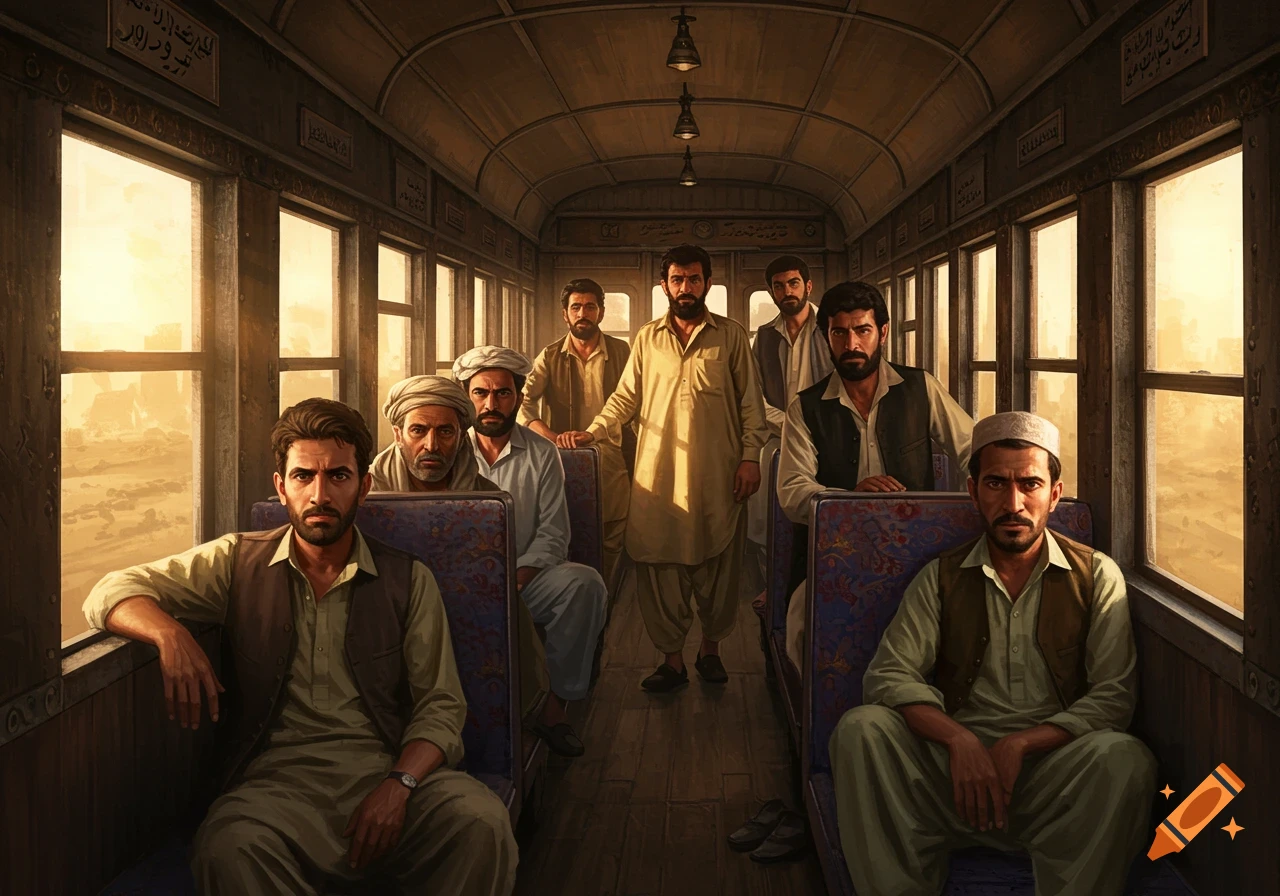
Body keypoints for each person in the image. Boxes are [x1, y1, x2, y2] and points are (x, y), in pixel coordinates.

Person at [81, 398, 516, 896]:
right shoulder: (235, 562)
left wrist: (399, 786)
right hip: (277, 789)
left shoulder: (408, 579)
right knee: (229, 846)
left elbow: (440, 707)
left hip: (388, 767)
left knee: (480, 823)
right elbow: (109, 591)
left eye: (337, 476)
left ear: (364, 485)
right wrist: (169, 633)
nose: (319, 494)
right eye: (304, 476)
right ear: (281, 486)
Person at [829, 411, 1155, 896]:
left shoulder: (1096, 576)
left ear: (1055, 494)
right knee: (860, 730)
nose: (1014, 503)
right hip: (946, 778)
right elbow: (888, 677)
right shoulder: (941, 577)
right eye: (997, 484)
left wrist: (1020, 744)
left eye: (1030, 484)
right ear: (973, 491)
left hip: (1051, 780)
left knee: (1126, 759)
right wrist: (960, 742)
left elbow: (1113, 697)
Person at [559, 244, 769, 692]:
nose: (686, 288)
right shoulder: (647, 338)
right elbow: (624, 398)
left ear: (707, 283)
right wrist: (593, 432)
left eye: (694, 279)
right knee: (660, 569)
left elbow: (753, 406)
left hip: (719, 474)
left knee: (720, 565)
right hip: (657, 475)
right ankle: (672, 662)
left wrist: (751, 457)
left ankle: (710, 652)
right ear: (664, 286)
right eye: (678, 279)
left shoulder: (731, 336)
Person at [777, 280, 972, 672]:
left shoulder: (921, 389)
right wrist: (850, 497)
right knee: (801, 626)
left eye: (862, 330)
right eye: (839, 332)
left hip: (918, 556)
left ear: (882, 332)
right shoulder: (806, 408)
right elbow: (793, 492)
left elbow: (973, 450)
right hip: (832, 557)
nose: (851, 344)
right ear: (826, 337)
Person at [369, 374, 550, 733]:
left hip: (465, 609)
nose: (431, 445)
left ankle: (531, 718)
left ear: (459, 434)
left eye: (445, 433)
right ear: (397, 433)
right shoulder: (369, 492)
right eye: (418, 431)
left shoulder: (487, 499)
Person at [454, 346, 608, 758]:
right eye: (481, 393)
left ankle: (555, 711)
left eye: (503, 393)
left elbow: (554, 535)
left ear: (519, 398)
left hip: (525, 580)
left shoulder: (543, 454)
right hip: (453, 587)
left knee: (584, 584)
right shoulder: (445, 447)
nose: (491, 403)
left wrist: (512, 582)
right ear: (467, 397)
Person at [518, 278, 633, 593]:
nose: (584, 313)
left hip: (610, 451)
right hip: (565, 456)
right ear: (565, 314)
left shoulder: (623, 352)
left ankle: (607, 595)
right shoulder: (551, 355)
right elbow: (523, 401)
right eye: (576, 307)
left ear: (601, 312)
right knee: (570, 526)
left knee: (612, 528)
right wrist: (552, 436)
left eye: (590, 307)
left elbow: (636, 402)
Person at [746, 255, 832, 555]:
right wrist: (787, 425)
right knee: (770, 518)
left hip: (828, 438)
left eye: (793, 283)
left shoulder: (830, 329)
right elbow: (754, 395)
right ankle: (771, 578)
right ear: (772, 293)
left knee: (823, 515)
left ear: (808, 286)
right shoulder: (765, 336)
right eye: (779, 286)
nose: (787, 292)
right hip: (777, 440)